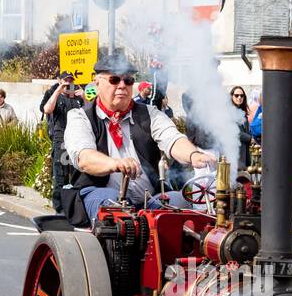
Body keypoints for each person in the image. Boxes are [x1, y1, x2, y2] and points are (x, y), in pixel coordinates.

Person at [62, 53, 216, 223]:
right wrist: (115, 164)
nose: (122, 86)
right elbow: (84, 157)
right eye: (114, 80)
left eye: (128, 81)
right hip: (98, 193)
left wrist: (194, 155)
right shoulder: (80, 116)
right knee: (115, 208)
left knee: (181, 205)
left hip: (150, 200)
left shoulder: (149, 114)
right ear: (97, 83)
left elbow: (173, 138)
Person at [41, 71, 85, 211]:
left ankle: (73, 207)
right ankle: (59, 208)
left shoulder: (78, 99)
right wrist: (59, 89)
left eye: (71, 81)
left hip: (78, 141)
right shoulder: (57, 97)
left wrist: (84, 96)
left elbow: (91, 113)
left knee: (77, 175)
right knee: (61, 174)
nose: (69, 84)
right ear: (60, 82)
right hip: (62, 141)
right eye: (66, 81)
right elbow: (47, 109)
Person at [229, 85, 253, 168]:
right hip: (233, 154)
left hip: (244, 154)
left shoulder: (242, 112)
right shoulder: (228, 112)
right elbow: (234, 132)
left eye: (242, 96)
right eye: (236, 95)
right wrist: (250, 138)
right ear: (231, 96)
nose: (239, 97)